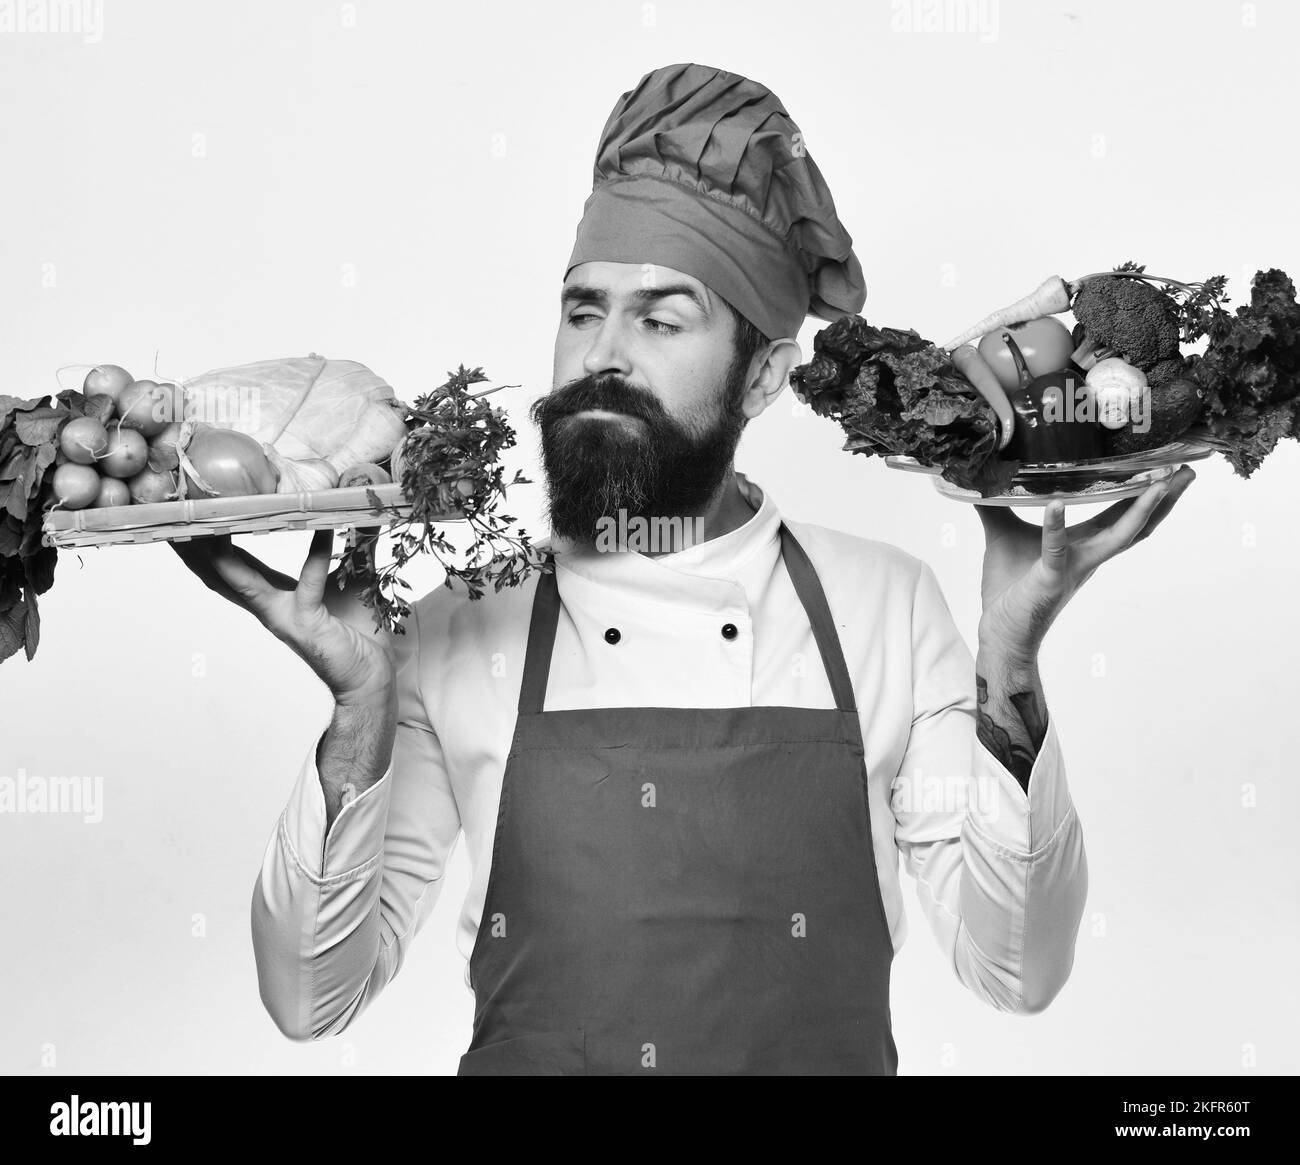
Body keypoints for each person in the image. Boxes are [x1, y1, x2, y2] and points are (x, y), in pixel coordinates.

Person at [173, 63, 1195, 1076]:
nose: (601, 355)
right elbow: (311, 998)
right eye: (583, 310)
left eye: (660, 319)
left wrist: (1009, 659)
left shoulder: (882, 608)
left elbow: (1016, 970)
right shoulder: (457, 626)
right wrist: (359, 708)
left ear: (762, 376)